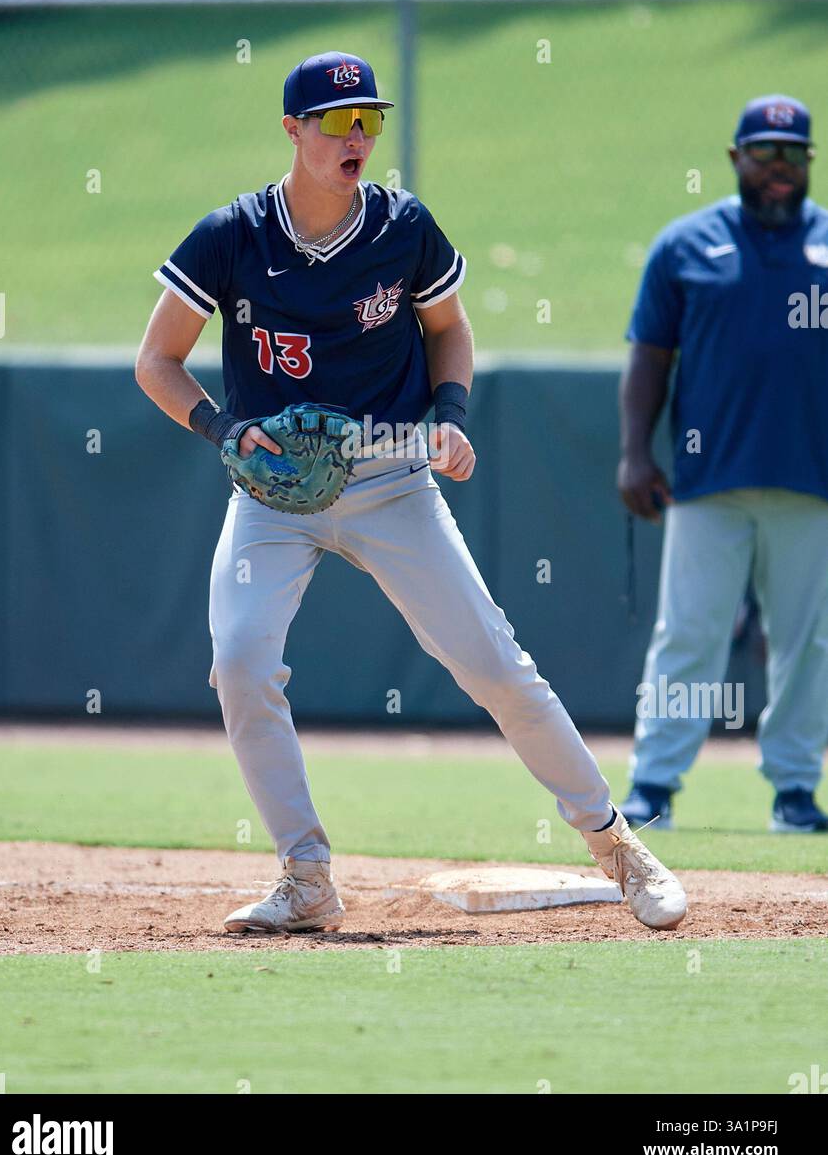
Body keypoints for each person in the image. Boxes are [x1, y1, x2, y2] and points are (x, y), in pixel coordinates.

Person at [136, 50, 686, 933]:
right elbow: (157, 361)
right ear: (293, 129)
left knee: (495, 667)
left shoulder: (402, 227)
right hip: (273, 489)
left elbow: (449, 328)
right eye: (338, 120)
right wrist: (225, 431)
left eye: (371, 120)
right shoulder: (232, 235)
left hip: (392, 472)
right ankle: (306, 879)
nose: (358, 136)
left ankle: (617, 843)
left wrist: (453, 415)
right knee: (239, 664)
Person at [618, 94, 828, 834]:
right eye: (764, 153)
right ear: (736, 156)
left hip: (813, 481)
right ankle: (654, 783)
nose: (779, 168)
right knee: (689, 632)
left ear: (808, 162)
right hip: (707, 481)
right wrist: (635, 452)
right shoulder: (685, 245)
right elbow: (650, 356)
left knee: (810, 642)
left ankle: (796, 790)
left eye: (793, 155)